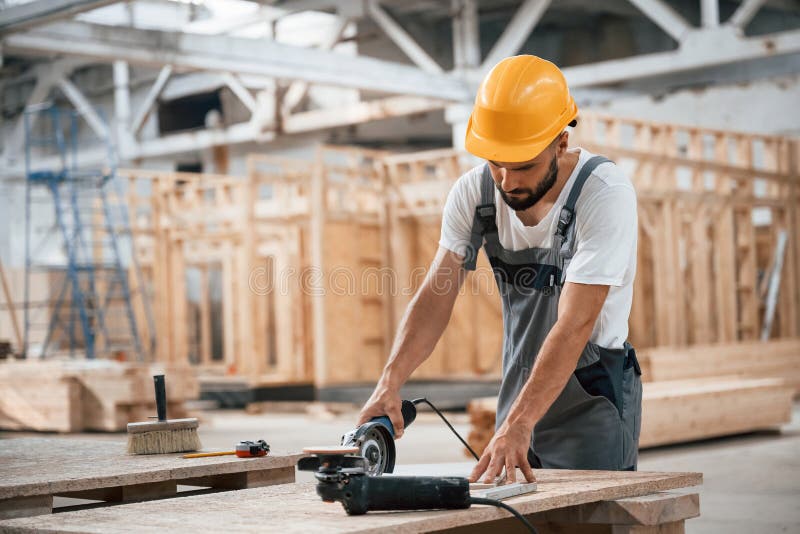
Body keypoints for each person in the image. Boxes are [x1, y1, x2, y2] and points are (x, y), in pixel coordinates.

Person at [357, 55, 642, 484]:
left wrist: (519, 424)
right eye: (496, 162)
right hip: (520, 385)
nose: (507, 181)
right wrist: (390, 381)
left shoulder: (603, 194)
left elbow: (576, 322)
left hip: (591, 397)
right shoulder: (474, 193)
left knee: (591, 520)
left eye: (523, 164)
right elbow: (437, 294)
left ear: (560, 144)